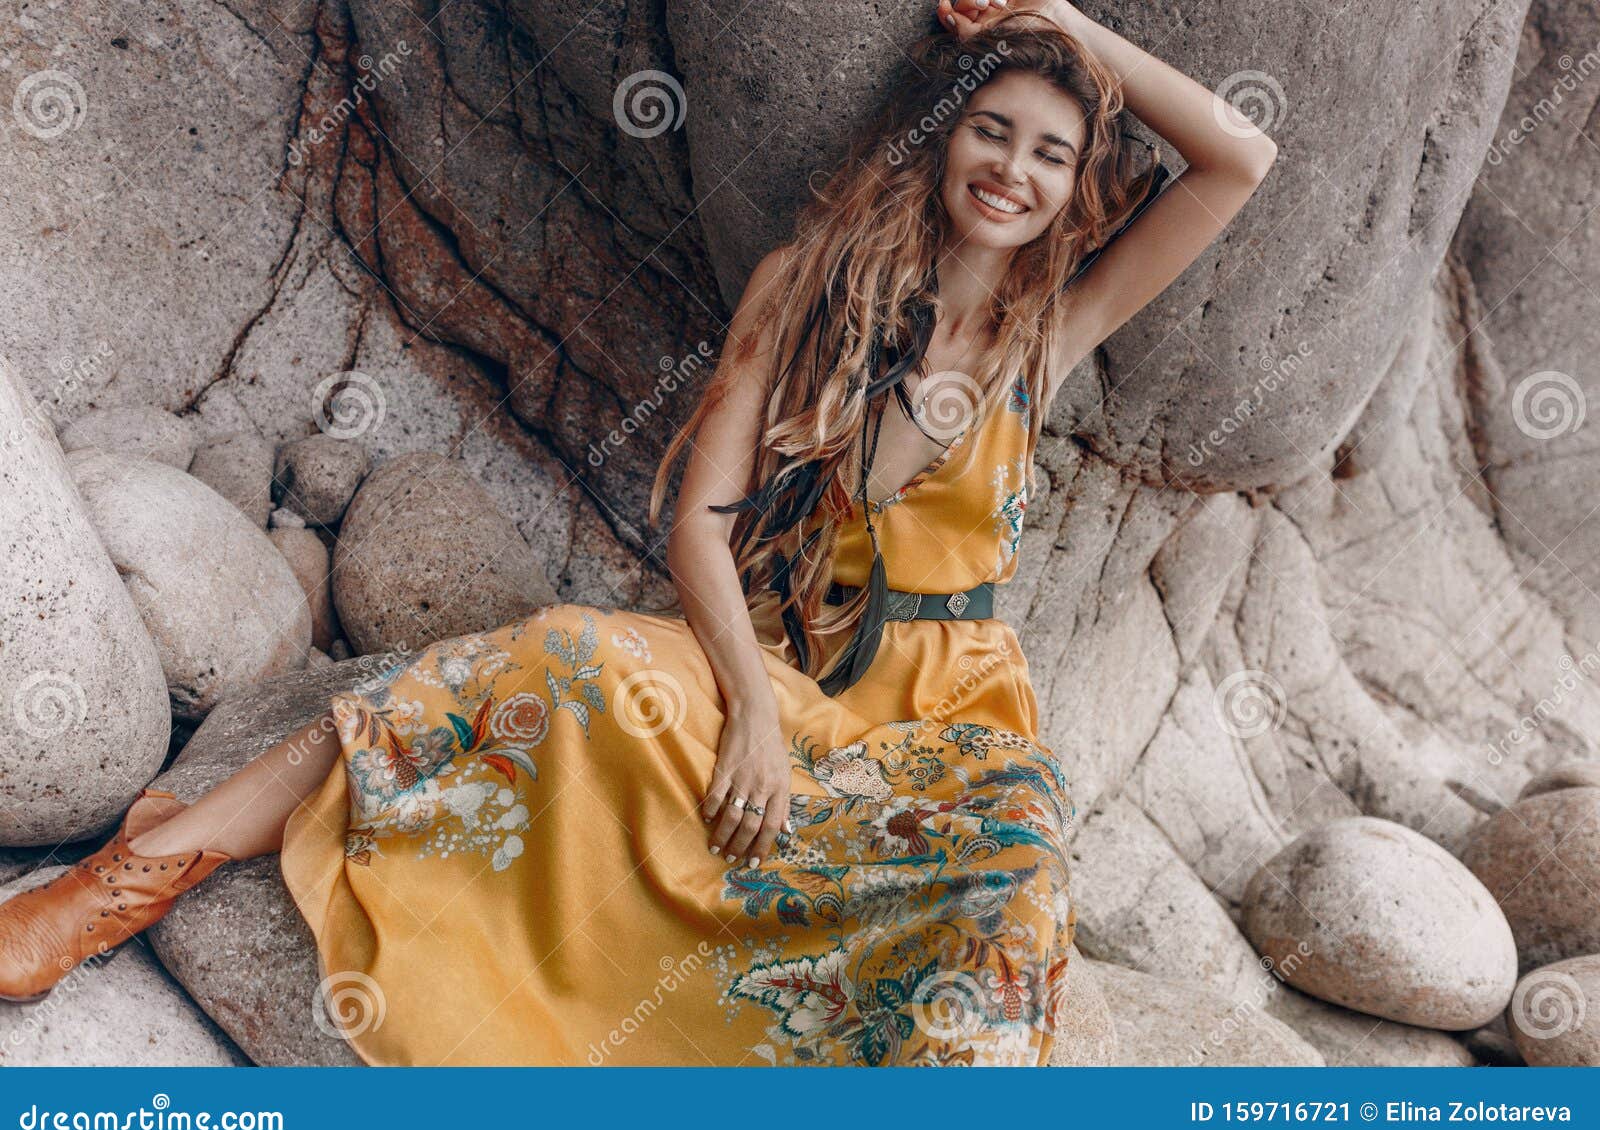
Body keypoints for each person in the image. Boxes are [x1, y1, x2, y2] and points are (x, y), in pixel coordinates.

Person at [0, 1, 1276, 1065]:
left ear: (1073, 190)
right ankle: (111, 889)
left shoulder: (1050, 333)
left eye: (1050, 153)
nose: (1012, 169)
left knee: (1002, 911)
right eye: (989, 131)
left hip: (948, 717)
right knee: (540, 662)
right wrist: (757, 717)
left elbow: (1237, 161)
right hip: (761, 663)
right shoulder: (807, 284)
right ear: (940, 142)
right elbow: (701, 527)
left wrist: (1051, 17)